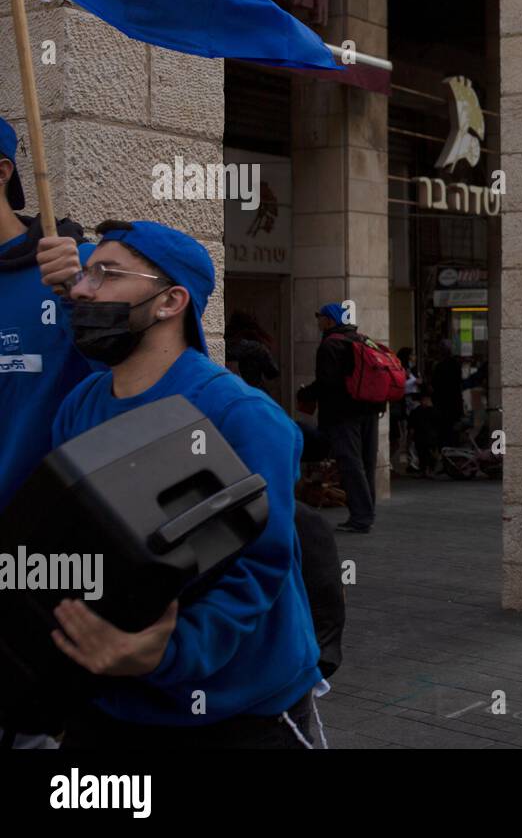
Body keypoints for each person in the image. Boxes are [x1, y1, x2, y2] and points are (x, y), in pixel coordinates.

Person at [35, 220, 323, 747]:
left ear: (170, 302)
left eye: (105, 273)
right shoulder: (82, 403)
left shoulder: (240, 414)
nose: (79, 288)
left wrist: (170, 651)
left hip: (232, 714)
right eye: (84, 274)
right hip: (105, 707)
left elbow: (258, 567)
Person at [0, 118, 95, 750]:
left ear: (3, 171)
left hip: (35, 564)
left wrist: (80, 297)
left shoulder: (68, 274)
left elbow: (134, 379)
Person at [298, 303, 384, 534]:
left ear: (329, 320)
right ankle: (367, 513)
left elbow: (327, 383)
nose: (318, 322)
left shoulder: (330, 345)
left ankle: (360, 517)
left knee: (351, 464)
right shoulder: (361, 340)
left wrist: (305, 393)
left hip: (343, 415)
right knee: (366, 463)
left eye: (320, 317)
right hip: (370, 411)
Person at [224, 310, 279, 393]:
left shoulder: (224, 345)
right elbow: (272, 372)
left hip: (229, 392)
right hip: (254, 393)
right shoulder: (257, 348)